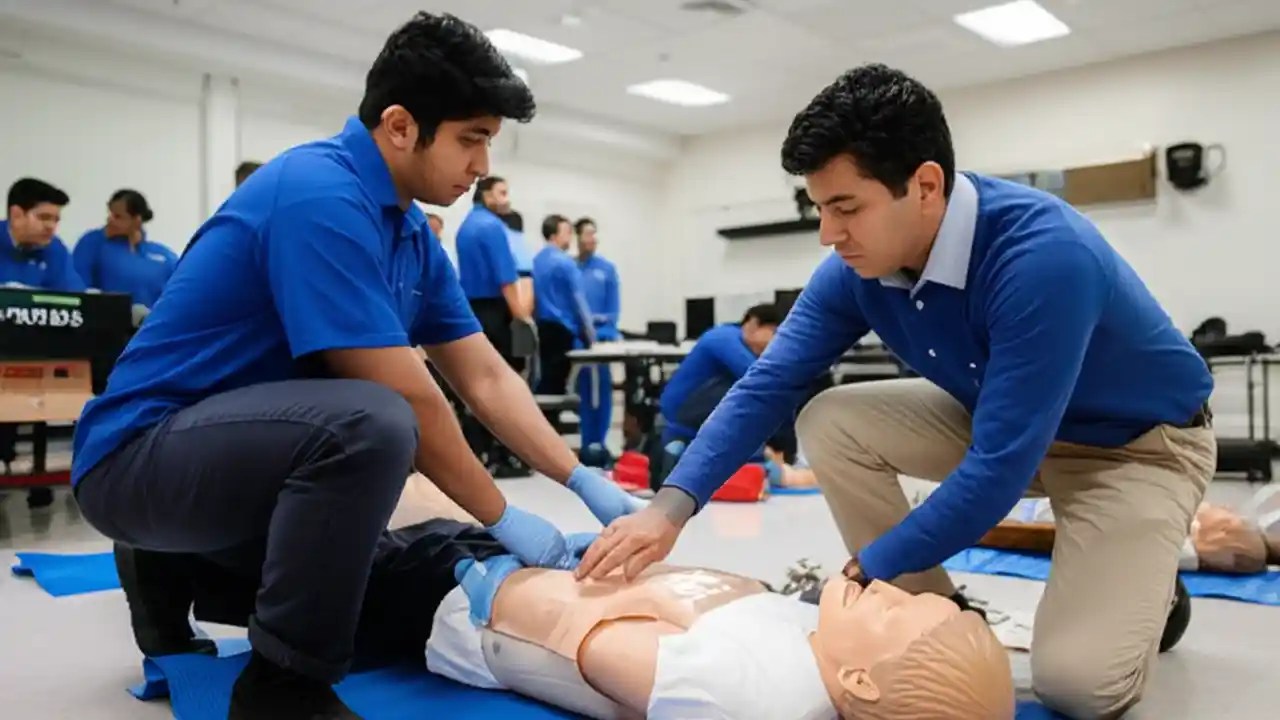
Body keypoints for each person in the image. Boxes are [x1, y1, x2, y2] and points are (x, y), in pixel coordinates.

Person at [578, 64, 1215, 720]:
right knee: (829, 418)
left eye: (846, 208)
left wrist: (865, 570)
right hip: (1005, 422)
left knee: (1078, 687)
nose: (828, 233)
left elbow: (998, 470)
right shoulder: (856, 269)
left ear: (926, 185)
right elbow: (770, 381)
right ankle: (932, 608)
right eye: (820, 209)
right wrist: (668, 509)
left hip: (1137, 449)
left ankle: (1153, 584)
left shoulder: (1042, 257)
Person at [70, 13, 642, 720]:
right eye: (472, 139)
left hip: (227, 467)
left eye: (488, 142)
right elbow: (409, 397)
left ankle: (171, 565)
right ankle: (282, 687)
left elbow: (486, 376)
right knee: (375, 423)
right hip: (139, 460)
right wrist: (503, 514)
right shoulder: (319, 194)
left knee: (380, 584)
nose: (483, 166)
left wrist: (582, 479)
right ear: (400, 126)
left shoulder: (408, 231)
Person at [2, 177, 83, 508]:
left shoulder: (56, 250)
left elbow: (75, 300)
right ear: (17, 214)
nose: (52, 227)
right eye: (44, 218)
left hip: (40, 349)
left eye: (56, 219)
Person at [456, 175, 530, 366]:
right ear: (487, 196)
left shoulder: (465, 227)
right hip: (495, 312)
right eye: (502, 194)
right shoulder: (493, 226)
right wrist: (522, 319)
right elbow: (506, 278)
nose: (507, 200)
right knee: (507, 371)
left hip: (472, 311)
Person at [72, 189, 178, 312]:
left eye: (118, 216)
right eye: (110, 214)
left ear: (137, 220)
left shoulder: (164, 256)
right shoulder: (94, 245)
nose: (109, 220)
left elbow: (179, 295)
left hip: (152, 326)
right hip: (107, 325)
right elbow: (77, 287)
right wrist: (99, 236)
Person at [531, 214, 594, 396]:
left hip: (541, 328)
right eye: (566, 232)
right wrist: (591, 337)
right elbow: (579, 302)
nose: (570, 237)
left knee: (545, 381)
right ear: (553, 235)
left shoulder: (536, 261)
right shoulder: (566, 263)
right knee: (558, 385)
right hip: (562, 331)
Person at [574, 217, 620, 453]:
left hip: (601, 341)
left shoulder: (606, 270)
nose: (592, 239)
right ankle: (586, 443)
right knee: (583, 393)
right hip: (578, 343)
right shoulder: (571, 268)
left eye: (594, 233)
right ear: (577, 237)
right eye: (587, 234)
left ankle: (599, 443)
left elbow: (612, 311)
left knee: (601, 391)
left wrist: (600, 327)